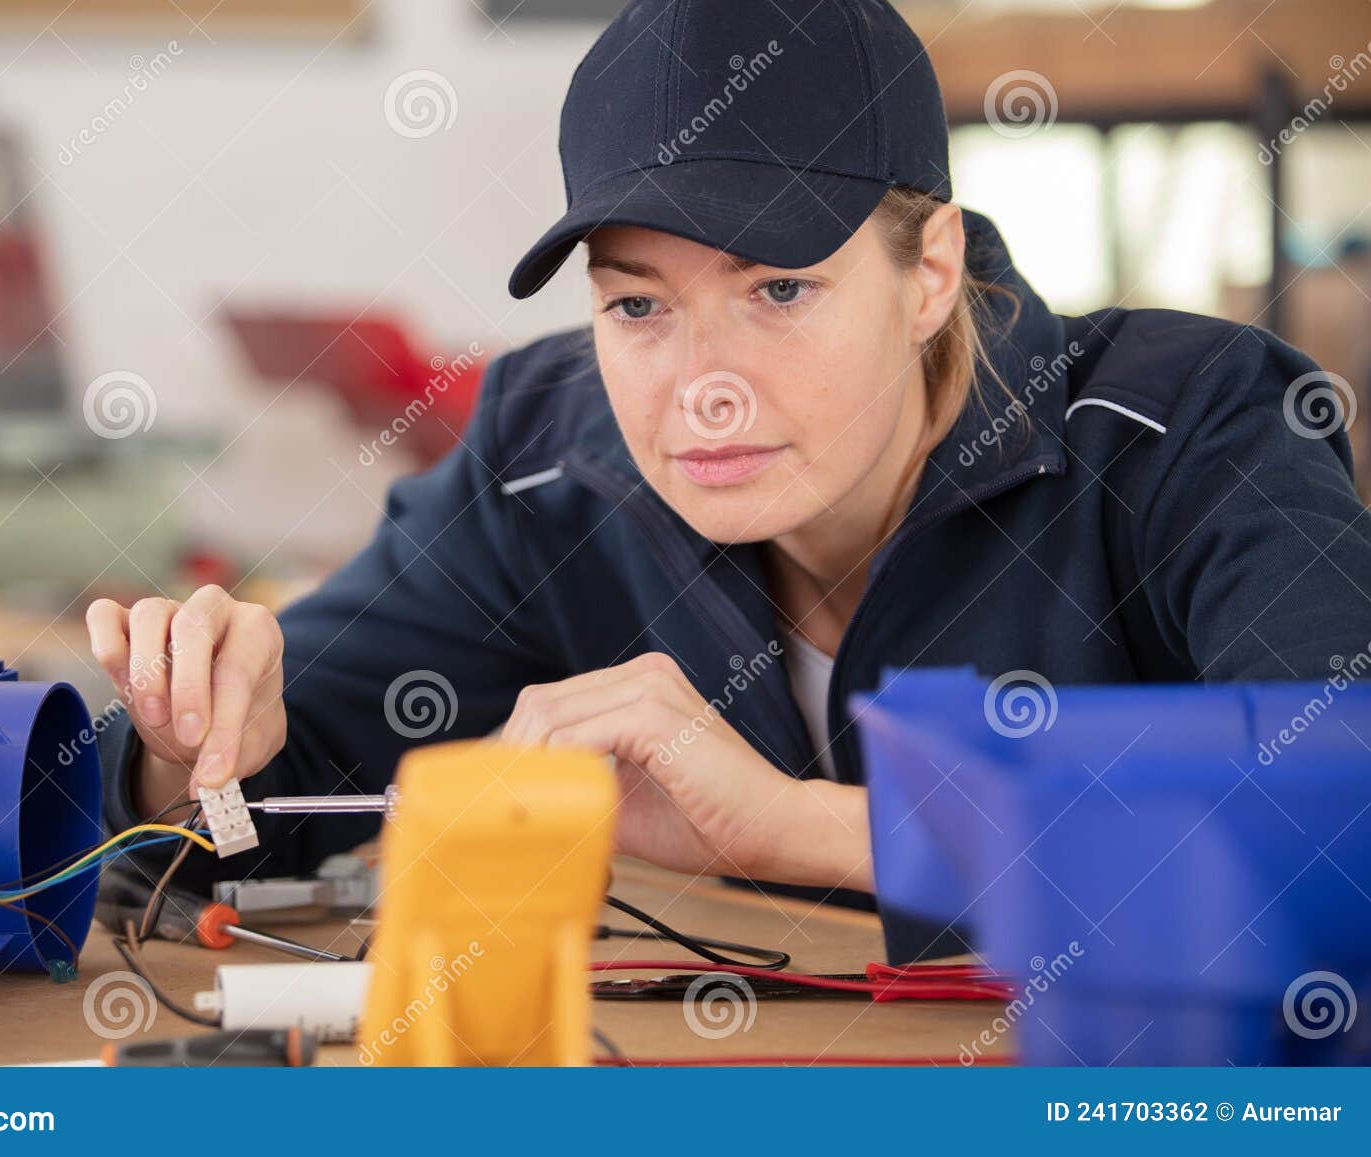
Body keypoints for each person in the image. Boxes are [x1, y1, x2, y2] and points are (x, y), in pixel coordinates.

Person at [84, 0, 1371, 959]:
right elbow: (246, 822)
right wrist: (186, 757)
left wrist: (792, 824)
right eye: (639, 304)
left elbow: (1340, 819)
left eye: (780, 289)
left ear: (928, 272)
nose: (702, 384)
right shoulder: (547, 450)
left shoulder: (1185, 423)